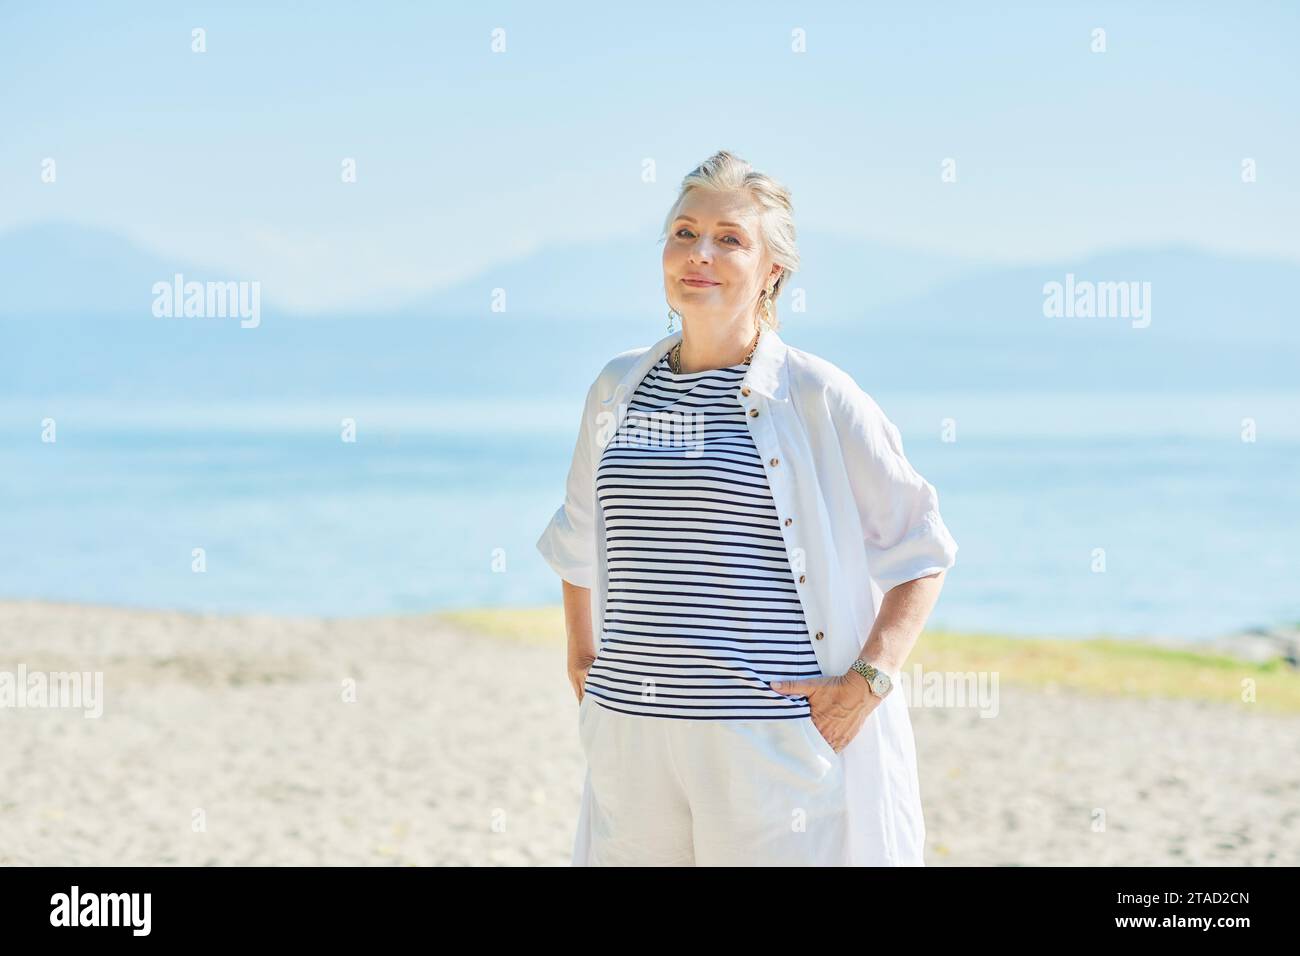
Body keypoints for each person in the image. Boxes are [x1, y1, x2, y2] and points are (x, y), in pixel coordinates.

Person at [536, 149, 959, 866]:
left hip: (766, 742)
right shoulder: (616, 388)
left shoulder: (816, 394)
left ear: (772, 270)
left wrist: (869, 681)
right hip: (629, 735)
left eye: (729, 239)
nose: (699, 253)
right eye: (684, 232)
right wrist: (583, 658)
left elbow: (922, 546)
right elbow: (578, 536)